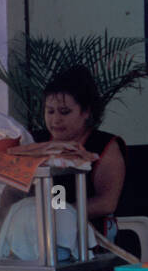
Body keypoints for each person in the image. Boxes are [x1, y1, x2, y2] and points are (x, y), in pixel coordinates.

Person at [31, 65, 127, 239]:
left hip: (92, 238)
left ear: (86, 112)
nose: (55, 120)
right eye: (49, 111)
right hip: (40, 236)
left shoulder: (106, 146)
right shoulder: (35, 142)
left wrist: (58, 216)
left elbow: (107, 203)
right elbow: (13, 188)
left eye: (65, 112)